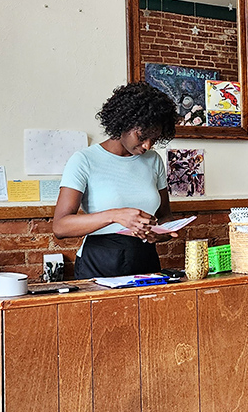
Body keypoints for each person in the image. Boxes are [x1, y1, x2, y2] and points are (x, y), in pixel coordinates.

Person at [53, 82, 179, 279]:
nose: (147, 145)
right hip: (99, 263)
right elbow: (60, 227)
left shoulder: (154, 161)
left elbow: (166, 217)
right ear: (124, 122)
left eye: (154, 139)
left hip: (146, 261)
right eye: (142, 136)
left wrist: (159, 234)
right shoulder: (84, 160)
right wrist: (115, 215)